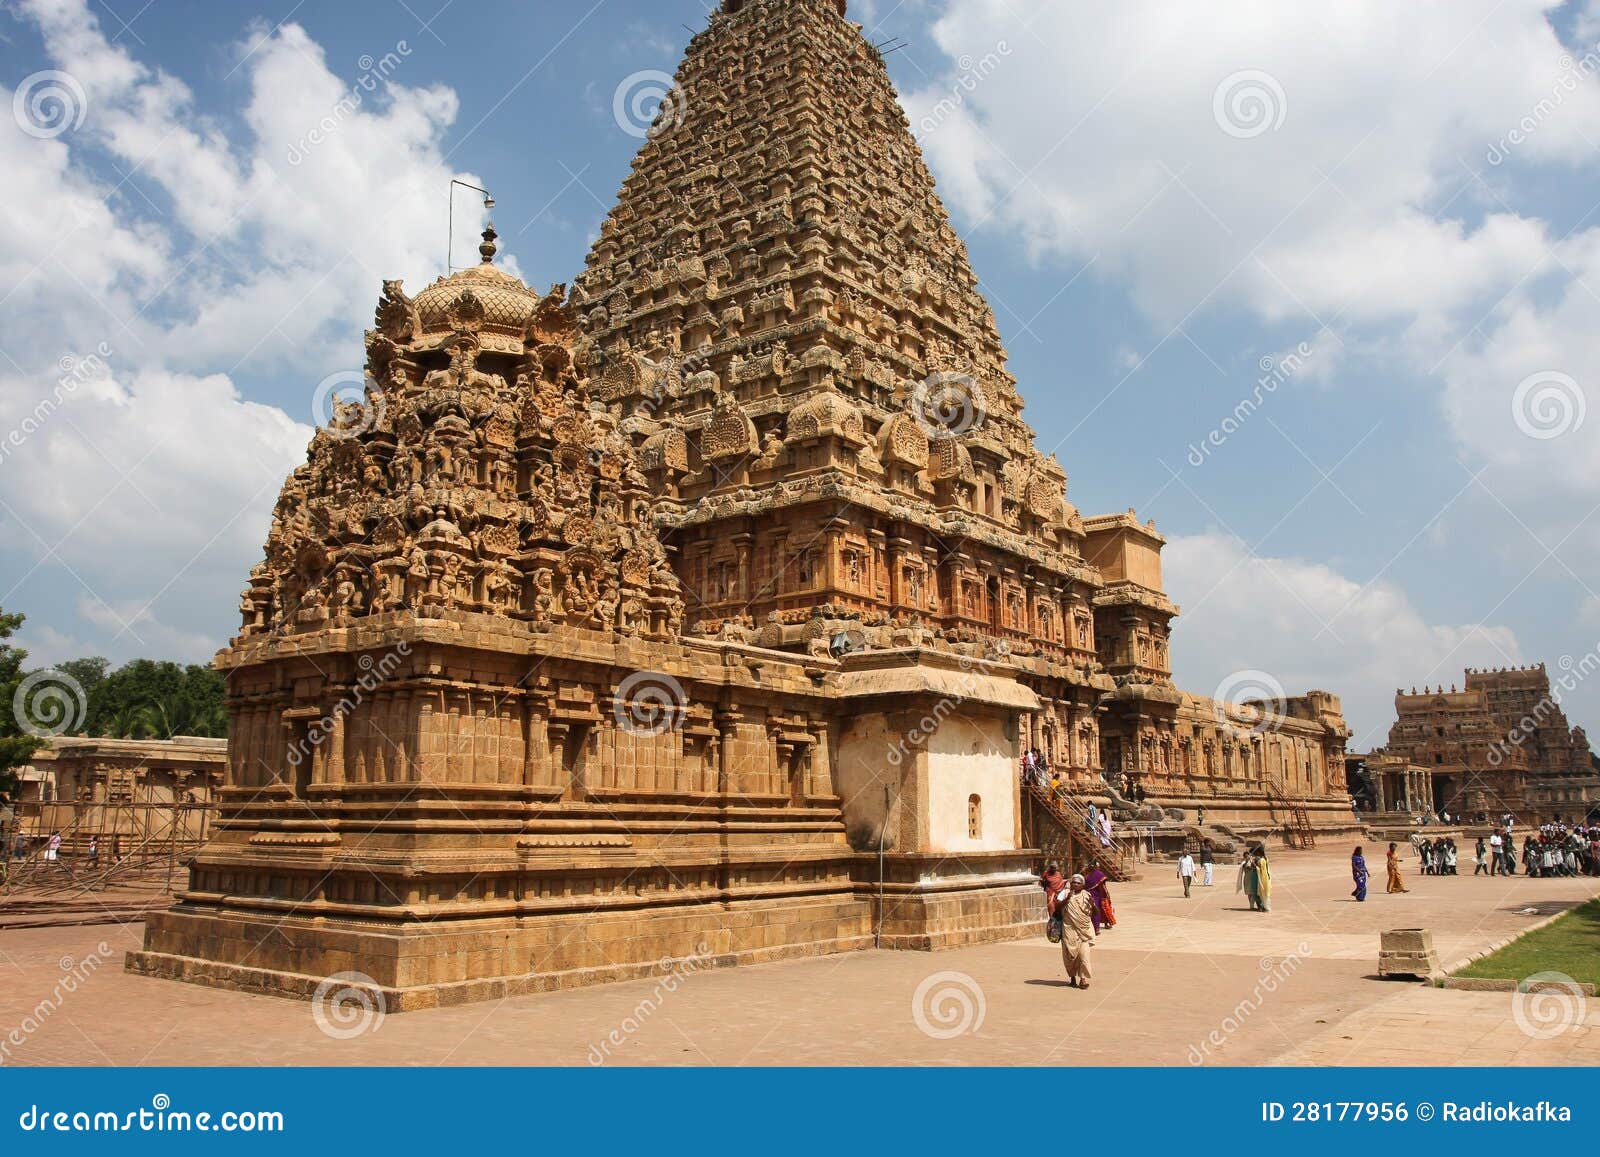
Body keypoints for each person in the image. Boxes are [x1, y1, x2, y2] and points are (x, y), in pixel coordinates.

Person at [1058, 874, 1097, 989]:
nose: (1075, 884)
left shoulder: (1087, 895)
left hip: (1084, 930)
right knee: (1071, 956)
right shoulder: (1065, 893)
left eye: (1078, 883)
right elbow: (1057, 907)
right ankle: (1072, 978)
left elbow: (1095, 913)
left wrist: (1093, 904)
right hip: (1069, 929)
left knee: (1084, 956)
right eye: (1074, 882)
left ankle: (1083, 979)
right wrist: (1067, 898)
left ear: (1083, 885)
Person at [1082, 864, 1116, 931]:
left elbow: (1103, 886)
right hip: (1088, 894)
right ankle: (1093, 927)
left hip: (1098, 895)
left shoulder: (1098, 874)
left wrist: (1105, 895)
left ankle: (1098, 927)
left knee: (1100, 909)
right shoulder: (1086, 873)